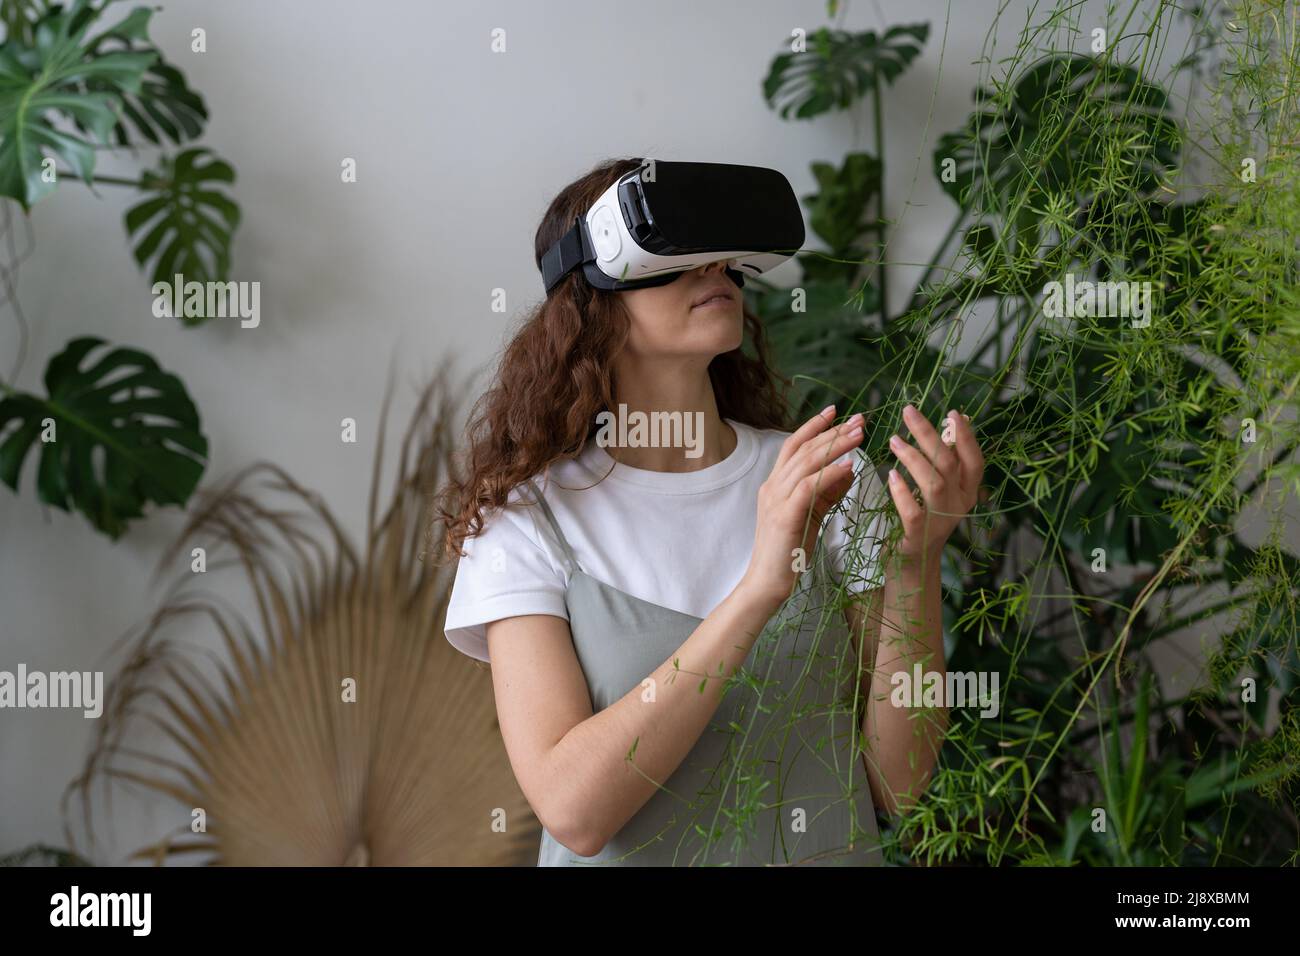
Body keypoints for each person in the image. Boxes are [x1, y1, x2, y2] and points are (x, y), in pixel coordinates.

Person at [437, 157, 985, 866]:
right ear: (591, 292)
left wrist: (916, 564)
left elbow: (898, 785)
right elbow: (574, 811)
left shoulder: (820, 475)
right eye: (677, 252)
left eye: (724, 258)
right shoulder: (527, 519)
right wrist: (760, 586)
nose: (716, 269)